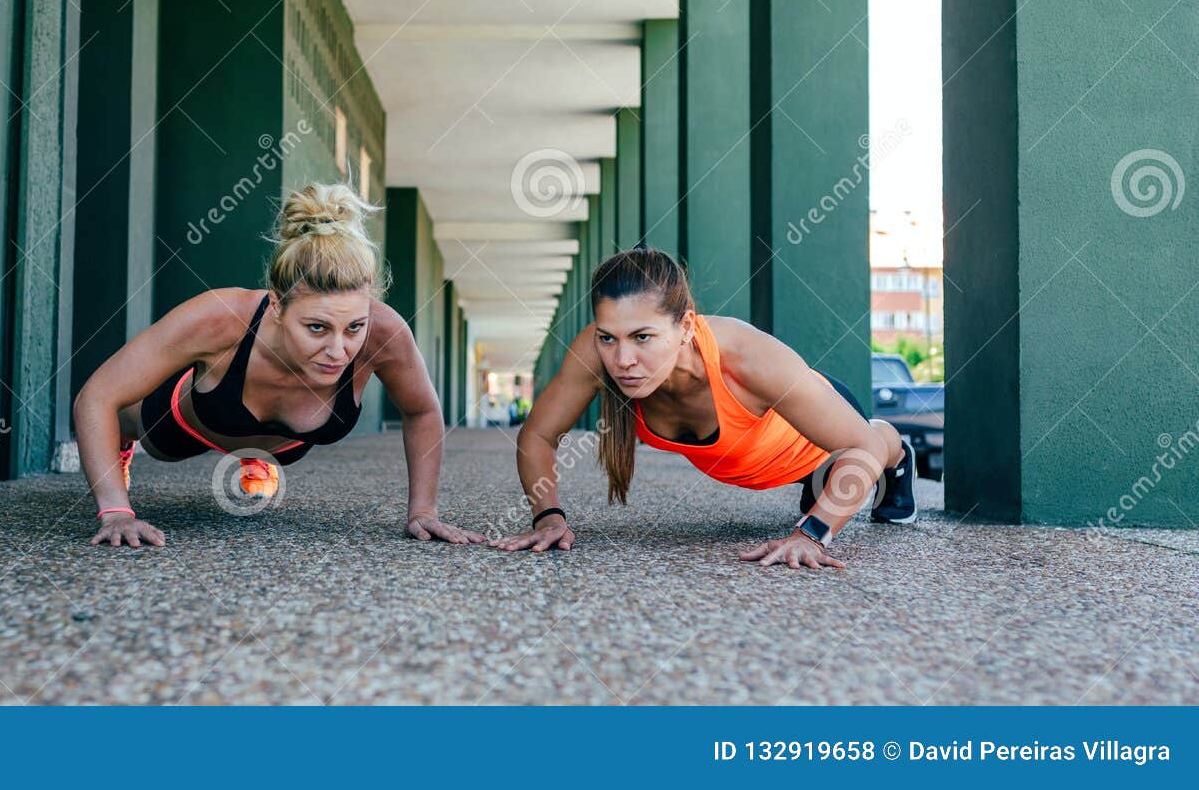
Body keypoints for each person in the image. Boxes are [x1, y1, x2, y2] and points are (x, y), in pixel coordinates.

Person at [72, 182, 485, 549]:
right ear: (276, 305)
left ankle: (255, 457)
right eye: (317, 327)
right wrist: (116, 511)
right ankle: (123, 446)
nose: (339, 350)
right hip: (185, 422)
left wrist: (423, 511)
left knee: (277, 444)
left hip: (283, 447)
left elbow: (422, 410)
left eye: (353, 327)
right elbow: (96, 396)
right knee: (144, 431)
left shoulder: (383, 334)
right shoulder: (220, 317)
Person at [489, 247, 915, 568]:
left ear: (687, 326)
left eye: (642, 337)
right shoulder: (595, 353)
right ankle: (822, 485)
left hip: (819, 441)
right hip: (760, 464)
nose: (622, 360)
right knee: (821, 490)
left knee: (871, 442)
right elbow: (538, 435)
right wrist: (548, 517)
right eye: (608, 337)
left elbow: (861, 446)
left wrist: (813, 535)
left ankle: (899, 450)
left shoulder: (746, 356)